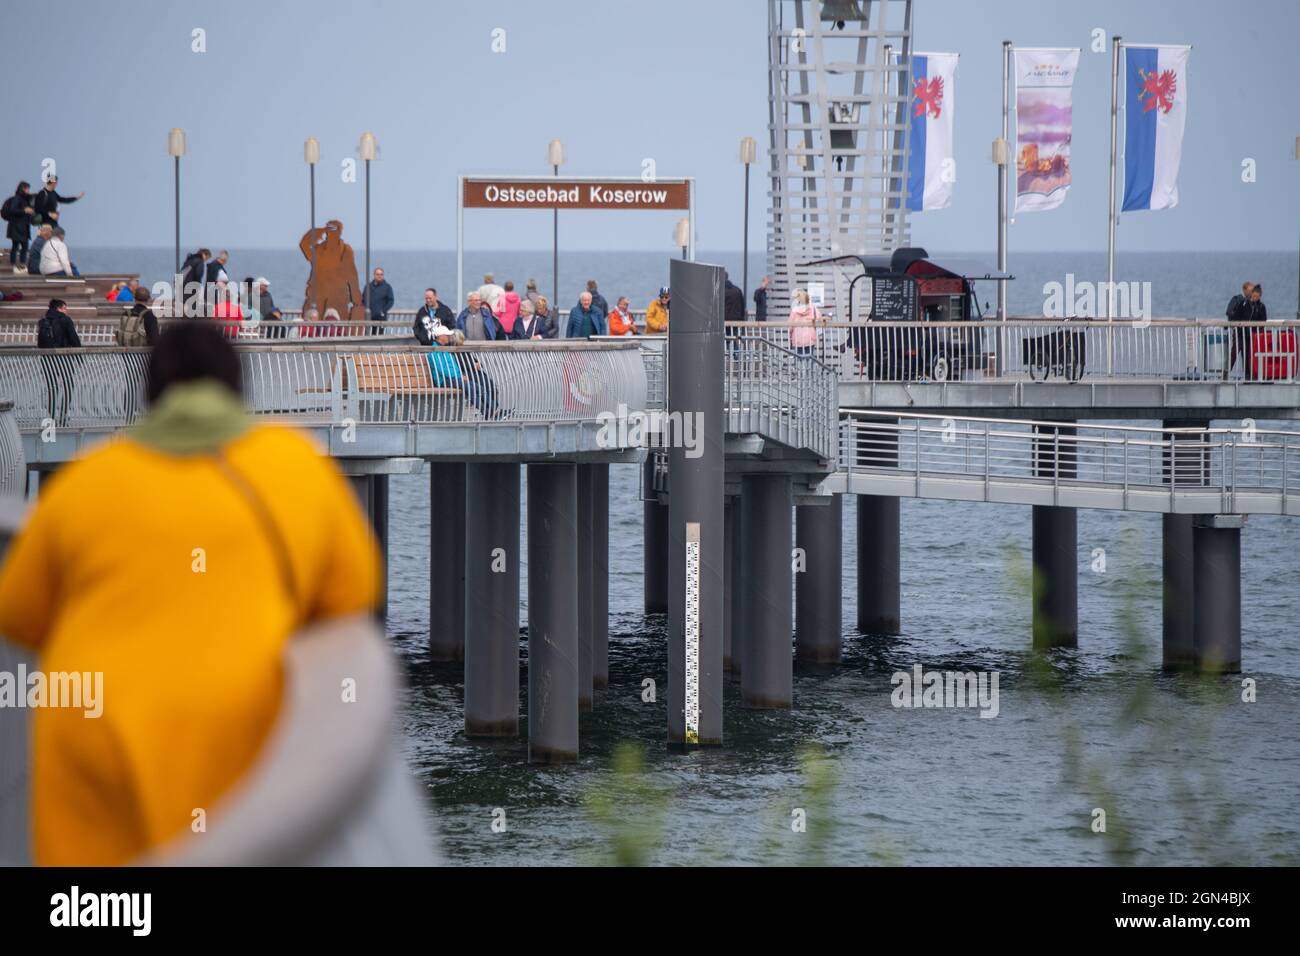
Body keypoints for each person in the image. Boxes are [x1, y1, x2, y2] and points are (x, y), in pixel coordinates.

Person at [0, 323, 382, 866]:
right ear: (236, 386)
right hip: (232, 723)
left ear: (150, 391)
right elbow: (356, 590)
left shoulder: (91, 478)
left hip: (91, 725)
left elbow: (17, 613)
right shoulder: (292, 461)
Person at [426, 322, 501, 420]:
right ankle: (489, 413)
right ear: (441, 336)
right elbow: (442, 370)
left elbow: (454, 366)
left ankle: (494, 411)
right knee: (472, 389)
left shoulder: (444, 349)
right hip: (444, 380)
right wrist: (459, 376)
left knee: (479, 388)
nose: (449, 337)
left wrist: (460, 374)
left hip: (453, 378)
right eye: (447, 335)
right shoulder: (434, 352)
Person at [1225, 281, 1259, 380]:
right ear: (1244, 290)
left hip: (1249, 333)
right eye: (1250, 290)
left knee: (1248, 353)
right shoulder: (1237, 300)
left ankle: (1249, 375)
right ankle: (1226, 373)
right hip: (1239, 332)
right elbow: (1230, 313)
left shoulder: (1254, 303)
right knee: (1234, 353)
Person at [2, 181, 36, 270]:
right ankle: (20, 264)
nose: (29, 191)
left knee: (17, 246)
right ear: (24, 189)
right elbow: (13, 210)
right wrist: (25, 210)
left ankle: (16, 264)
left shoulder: (22, 199)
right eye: (28, 189)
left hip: (20, 227)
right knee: (22, 246)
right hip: (18, 227)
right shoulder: (18, 198)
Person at [788, 288, 819, 355]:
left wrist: (790, 336)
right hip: (810, 338)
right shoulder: (813, 308)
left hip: (797, 338)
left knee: (798, 360)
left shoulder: (794, 310)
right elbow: (818, 319)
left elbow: (790, 326)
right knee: (810, 359)